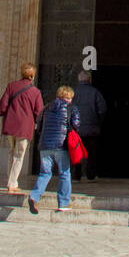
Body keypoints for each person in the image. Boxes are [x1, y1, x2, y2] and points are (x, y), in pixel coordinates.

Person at [28, 86, 80, 214]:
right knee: (64, 173)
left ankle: (34, 196)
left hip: (45, 145)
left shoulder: (46, 108)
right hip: (61, 145)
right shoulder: (71, 108)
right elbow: (76, 124)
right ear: (69, 97)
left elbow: (38, 125)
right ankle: (63, 203)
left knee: (45, 173)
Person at [0, 63, 43, 194]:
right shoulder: (35, 92)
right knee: (19, 155)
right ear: (32, 76)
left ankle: (11, 181)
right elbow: (39, 112)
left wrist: (5, 114)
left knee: (11, 152)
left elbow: (3, 105)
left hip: (10, 125)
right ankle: (12, 183)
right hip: (24, 127)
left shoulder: (11, 86)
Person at [71, 70, 107, 182]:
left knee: (77, 152)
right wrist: (97, 121)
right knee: (92, 153)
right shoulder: (95, 92)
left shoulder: (74, 93)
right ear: (90, 80)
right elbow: (102, 109)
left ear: (79, 80)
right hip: (92, 129)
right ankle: (90, 175)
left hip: (76, 129)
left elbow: (68, 109)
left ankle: (76, 176)